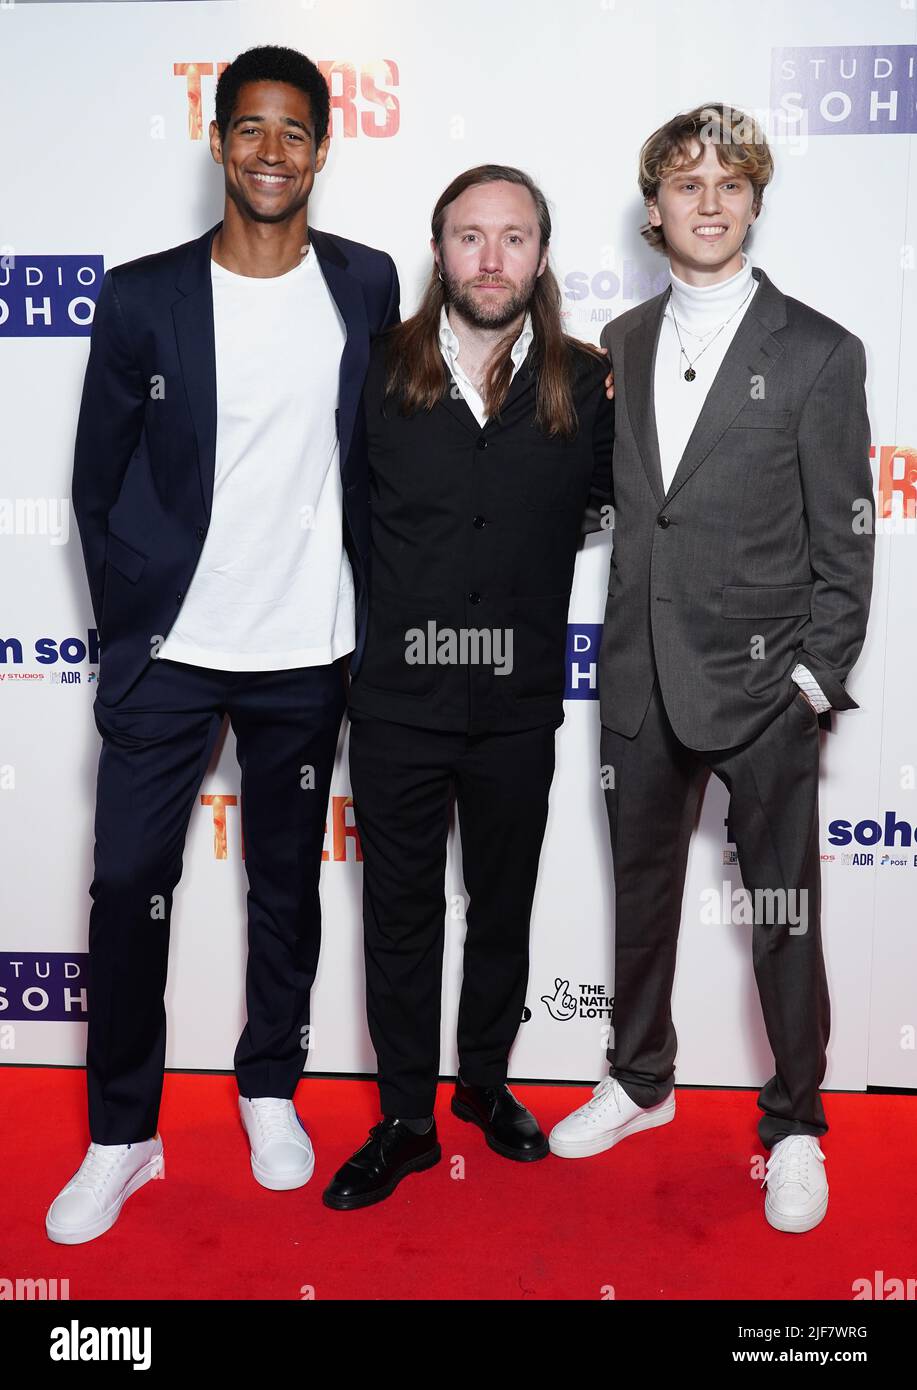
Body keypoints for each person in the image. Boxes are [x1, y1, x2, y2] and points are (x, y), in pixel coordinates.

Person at [48, 44, 399, 1244]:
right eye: (248, 128)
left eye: (293, 131)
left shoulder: (364, 283)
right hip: (173, 654)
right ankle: (123, 1134)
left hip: (307, 649)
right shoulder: (143, 295)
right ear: (217, 141)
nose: (269, 151)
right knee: (129, 884)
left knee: (283, 885)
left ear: (320, 149)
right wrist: (129, 631)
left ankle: (266, 1088)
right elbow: (94, 487)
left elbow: (375, 460)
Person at [549, 104, 874, 1234]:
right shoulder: (621, 344)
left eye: (729, 183)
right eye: (685, 183)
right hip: (637, 679)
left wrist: (809, 684)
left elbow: (845, 538)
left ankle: (793, 1122)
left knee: (781, 915)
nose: (708, 201)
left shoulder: (820, 352)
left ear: (752, 202)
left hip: (761, 693)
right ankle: (638, 1079)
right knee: (639, 902)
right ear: (653, 209)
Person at [322, 165, 614, 1210]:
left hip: (515, 707)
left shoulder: (584, 386)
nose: (490, 259)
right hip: (397, 701)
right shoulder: (373, 369)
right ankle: (404, 1118)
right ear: (436, 248)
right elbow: (343, 518)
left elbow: (608, 509)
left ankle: (482, 1085)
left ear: (540, 252)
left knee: (500, 907)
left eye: (513, 237)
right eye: (467, 236)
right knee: (399, 914)